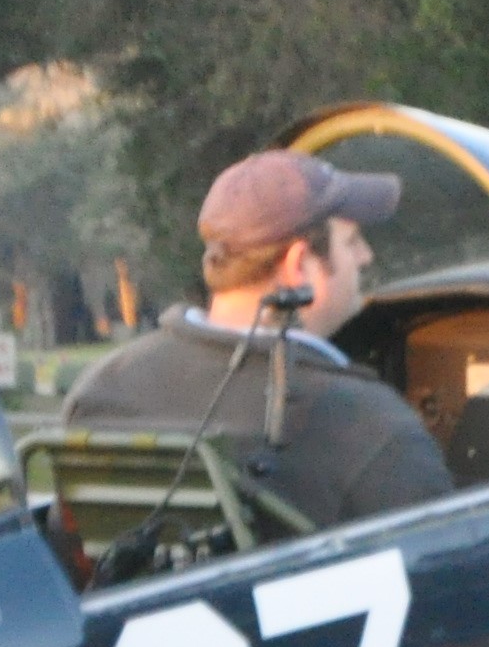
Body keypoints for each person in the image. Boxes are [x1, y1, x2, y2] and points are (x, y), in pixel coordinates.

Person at [64, 149, 457, 532]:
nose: (366, 256)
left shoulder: (102, 387)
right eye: (352, 241)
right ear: (297, 264)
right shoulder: (372, 426)